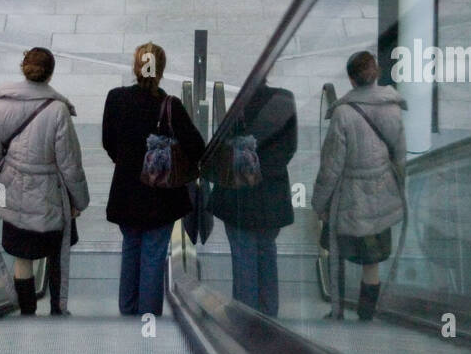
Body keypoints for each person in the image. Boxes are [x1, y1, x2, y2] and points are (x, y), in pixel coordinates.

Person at [103, 43, 205, 317]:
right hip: (162, 195)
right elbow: (197, 147)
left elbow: (108, 143)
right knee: (153, 255)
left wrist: (127, 163)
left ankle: (127, 312)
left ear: (136, 66)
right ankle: (148, 319)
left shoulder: (115, 98)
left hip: (126, 190)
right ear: (160, 70)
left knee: (131, 248)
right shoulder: (170, 106)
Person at [0, 48, 89, 316]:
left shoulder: (0, 104)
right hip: (49, 195)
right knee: (57, 254)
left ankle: (27, 312)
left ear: (24, 67)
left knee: (22, 257)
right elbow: (69, 163)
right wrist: (80, 199)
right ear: (50, 73)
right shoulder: (57, 110)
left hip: (13, 189)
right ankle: (57, 310)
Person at [312, 51, 406, 321]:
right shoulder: (392, 106)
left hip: (348, 198)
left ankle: (338, 311)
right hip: (381, 196)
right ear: (375, 74)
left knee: (335, 252)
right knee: (372, 263)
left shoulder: (343, 113)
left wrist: (319, 203)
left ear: (351, 80)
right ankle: (366, 316)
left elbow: (331, 167)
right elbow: (400, 155)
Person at [208, 80, 296, 318]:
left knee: (244, 253)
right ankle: (269, 315)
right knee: (267, 251)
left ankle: (245, 317)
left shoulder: (238, 108)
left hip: (240, 194)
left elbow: (221, 150)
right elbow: (290, 147)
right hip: (272, 194)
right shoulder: (285, 100)